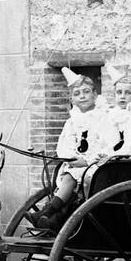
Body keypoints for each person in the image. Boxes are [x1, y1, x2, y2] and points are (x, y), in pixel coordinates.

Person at [33, 67, 106, 229]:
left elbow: (105, 143)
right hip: (75, 164)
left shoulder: (104, 117)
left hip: (96, 163)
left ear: (95, 94)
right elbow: (64, 146)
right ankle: (52, 217)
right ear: (72, 100)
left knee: (73, 177)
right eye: (77, 94)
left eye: (86, 92)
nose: (82, 96)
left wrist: (86, 160)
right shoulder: (72, 121)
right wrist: (72, 159)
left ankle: (49, 213)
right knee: (70, 175)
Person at [97, 64, 131, 157]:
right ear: (114, 94)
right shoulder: (110, 115)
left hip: (129, 159)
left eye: (128, 93)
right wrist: (104, 153)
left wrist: (111, 156)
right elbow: (104, 141)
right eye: (119, 92)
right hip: (110, 158)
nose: (122, 96)